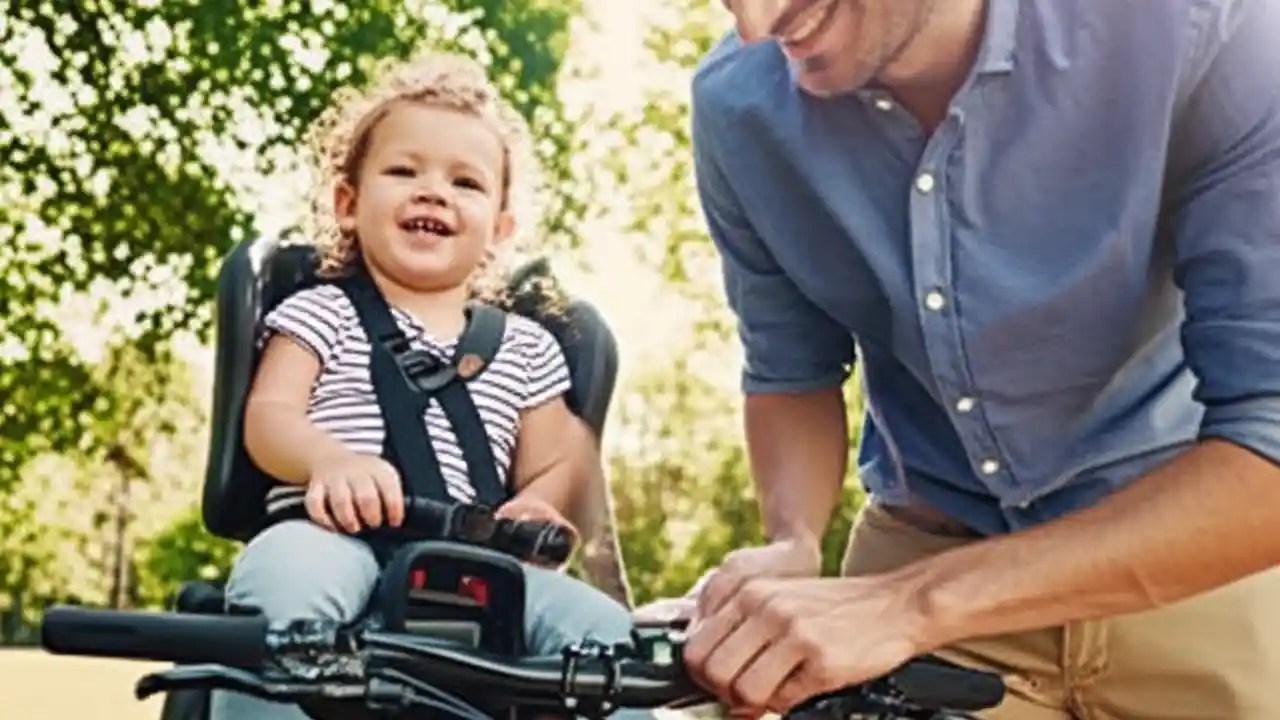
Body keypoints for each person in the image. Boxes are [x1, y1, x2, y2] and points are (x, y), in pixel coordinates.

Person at [669, 0, 1280, 718]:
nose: (754, 25)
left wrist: (909, 605)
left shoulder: (1212, 27)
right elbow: (789, 370)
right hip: (925, 562)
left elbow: (1269, 435)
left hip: (1200, 574)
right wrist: (792, 539)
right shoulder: (738, 106)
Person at [210, 51, 643, 720]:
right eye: (404, 171)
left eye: (465, 183)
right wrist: (329, 459)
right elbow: (270, 416)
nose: (432, 191)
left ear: (500, 229)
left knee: (612, 639)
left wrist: (537, 502)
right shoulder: (318, 310)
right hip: (330, 534)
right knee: (282, 594)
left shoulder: (528, 346)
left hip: (478, 564)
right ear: (348, 204)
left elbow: (556, 459)